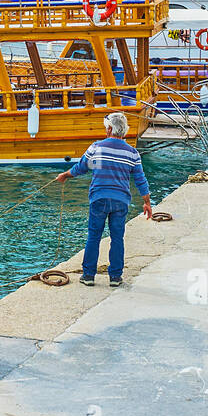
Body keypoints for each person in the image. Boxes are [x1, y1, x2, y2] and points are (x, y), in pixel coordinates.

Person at [56, 111, 153, 287]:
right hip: (120, 201)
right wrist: (146, 202)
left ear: (109, 129)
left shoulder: (97, 147)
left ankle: (88, 276)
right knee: (117, 238)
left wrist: (65, 175)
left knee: (94, 236)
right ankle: (115, 277)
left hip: (99, 198)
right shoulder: (132, 153)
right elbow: (140, 179)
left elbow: (82, 167)